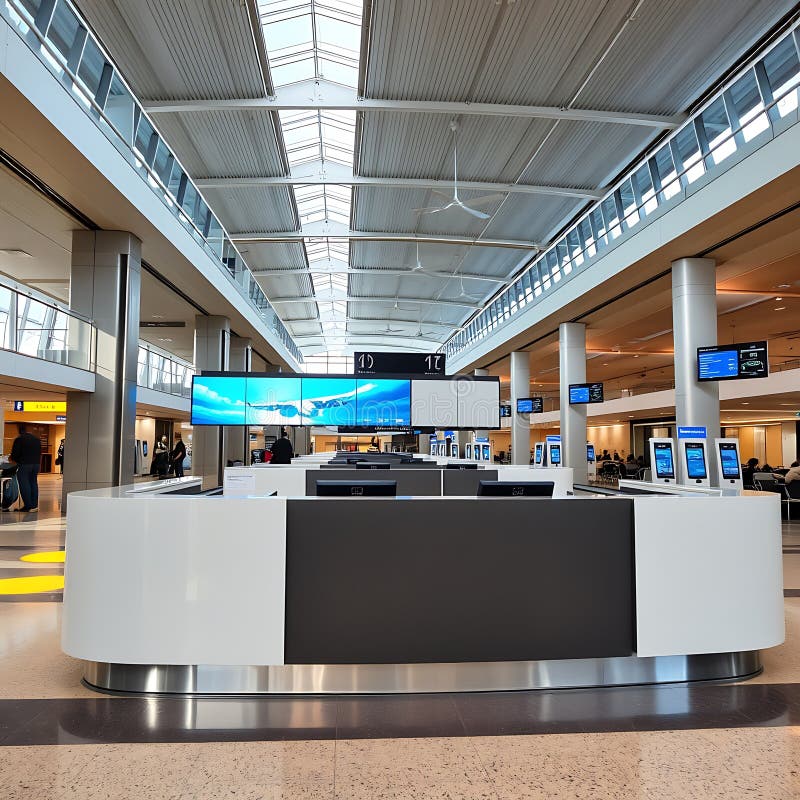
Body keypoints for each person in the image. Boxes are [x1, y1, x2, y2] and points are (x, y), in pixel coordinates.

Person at [8, 424, 40, 512]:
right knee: (33, 483)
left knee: (24, 484)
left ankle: (28, 505)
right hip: (36, 464)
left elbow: (15, 454)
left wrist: (14, 459)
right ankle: (34, 505)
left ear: (19, 430)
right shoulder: (36, 439)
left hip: (25, 464)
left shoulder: (20, 439)